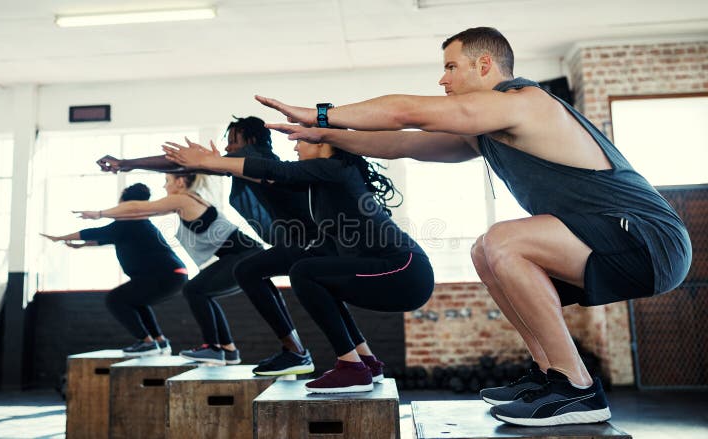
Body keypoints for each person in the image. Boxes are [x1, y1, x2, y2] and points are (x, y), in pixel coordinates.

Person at [255, 27, 691, 425]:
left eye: (450, 67)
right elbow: (404, 142)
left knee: (503, 240)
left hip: (649, 238)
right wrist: (329, 136)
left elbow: (406, 113)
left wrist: (321, 115)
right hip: (612, 240)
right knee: (485, 252)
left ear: (484, 66)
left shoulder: (524, 103)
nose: (442, 81)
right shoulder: (486, 130)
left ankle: (578, 389)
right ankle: (550, 376)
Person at [163, 137, 435, 393]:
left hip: (404, 271)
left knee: (305, 272)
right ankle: (366, 362)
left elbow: (277, 170)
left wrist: (212, 163)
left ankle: (352, 368)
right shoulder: (322, 178)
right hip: (394, 270)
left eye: (301, 141)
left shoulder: (336, 169)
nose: (294, 148)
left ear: (322, 143)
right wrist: (217, 162)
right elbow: (267, 175)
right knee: (311, 272)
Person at [95, 117, 334, 376]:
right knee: (240, 276)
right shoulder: (250, 165)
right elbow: (184, 165)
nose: (228, 149)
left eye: (233, 141)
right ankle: (304, 353)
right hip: (295, 242)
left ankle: (289, 352)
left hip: (310, 243)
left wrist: (116, 183)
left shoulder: (259, 164)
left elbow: (181, 173)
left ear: (251, 141)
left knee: (233, 277)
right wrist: (127, 164)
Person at [74, 174, 262, 365]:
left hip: (244, 255)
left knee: (193, 290)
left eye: (168, 181)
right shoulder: (188, 200)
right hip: (245, 255)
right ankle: (228, 350)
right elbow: (139, 211)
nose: (164, 186)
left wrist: (99, 213)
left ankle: (213, 348)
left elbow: (138, 207)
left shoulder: (182, 199)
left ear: (180, 182)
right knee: (203, 292)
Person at [41, 183, 188, 357]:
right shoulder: (136, 224)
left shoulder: (128, 223)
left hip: (165, 275)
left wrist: (59, 238)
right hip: (174, 274)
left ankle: (147, 342)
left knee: (115, 299)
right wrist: (81, 245)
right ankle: (159, 341)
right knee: (135, 301)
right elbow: (105, 237)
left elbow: (95, 232)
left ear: (124, 202)